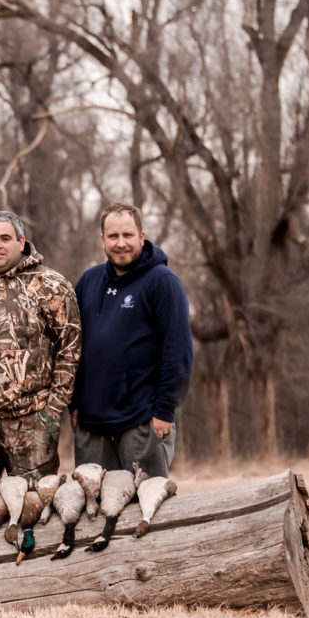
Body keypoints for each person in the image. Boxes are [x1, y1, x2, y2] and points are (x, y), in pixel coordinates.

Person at [0, 210, 81, 495]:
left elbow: (69, 350)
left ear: (21, 242)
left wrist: (53, 409)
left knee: (33, 508)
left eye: (5, 238)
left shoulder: (52, 286)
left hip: (33, 421)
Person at [72, 202, 193, 477]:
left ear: (141, 236)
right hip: (91, 425)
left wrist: (165, 410)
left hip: (142, 421)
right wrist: (75, 404)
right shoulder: (88, 282)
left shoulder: (162, 281)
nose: (121, 243)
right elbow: (73, 348)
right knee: (93, 501)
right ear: (102, 240)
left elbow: (178, 351)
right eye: (113, 236)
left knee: (146, 499)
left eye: (127, 235)